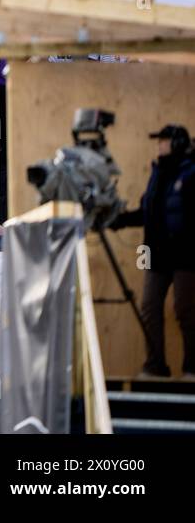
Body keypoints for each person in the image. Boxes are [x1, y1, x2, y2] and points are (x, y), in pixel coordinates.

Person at [111, 124, 195, 378]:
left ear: (177, 143)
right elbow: (147, 211)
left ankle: (192, 368)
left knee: (185, 309)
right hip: (152, 253)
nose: (159, 144)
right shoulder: (157, 172)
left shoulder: (191, 172)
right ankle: (155, 365)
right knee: (149, 307)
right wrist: (120, 219)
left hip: (185, 253)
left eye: (164, 140)